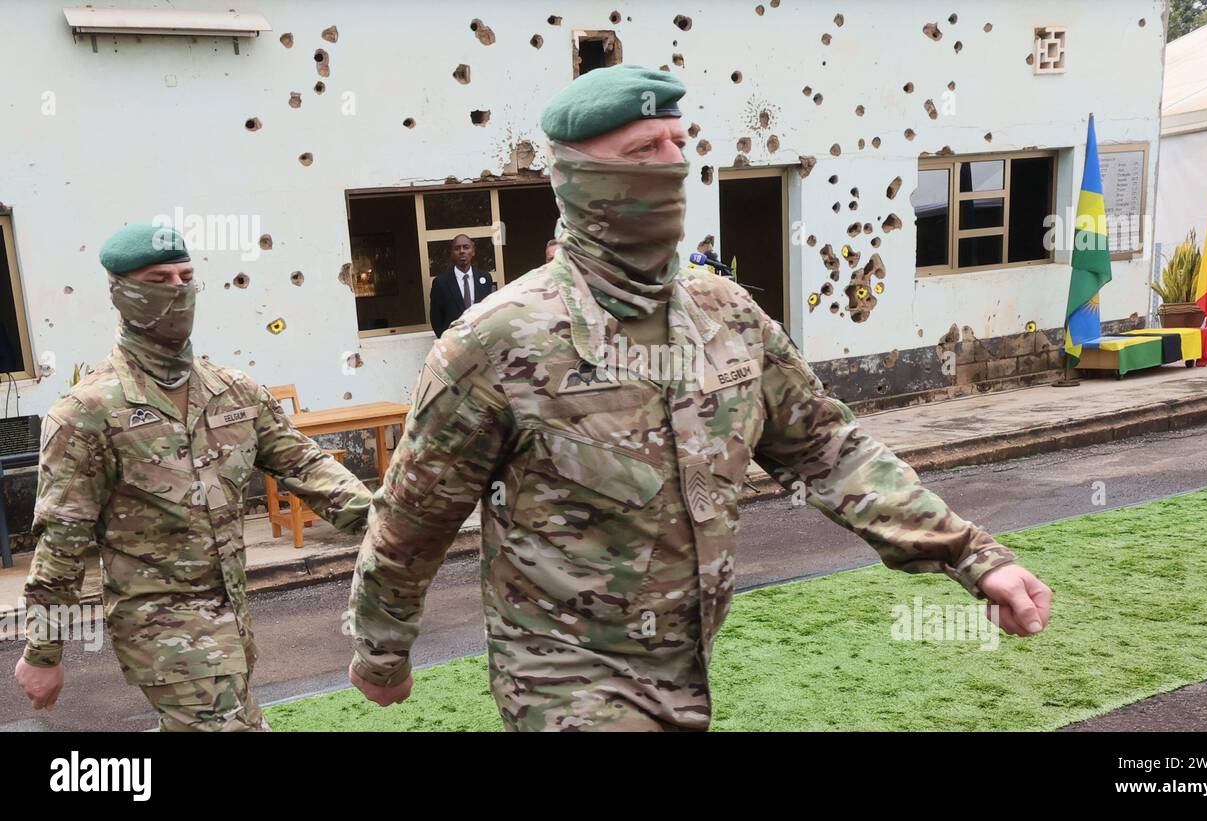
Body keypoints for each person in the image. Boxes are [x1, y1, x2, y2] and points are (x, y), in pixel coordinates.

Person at [345, 65, 1051, 731]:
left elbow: (827, 448)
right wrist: (382, 649)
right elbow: (414, 514)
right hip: (565, 679)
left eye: (680, 141)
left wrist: (973, 555)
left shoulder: (727, 315)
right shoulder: (497, 341)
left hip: (690, 664)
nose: (672, 162)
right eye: (644, 148)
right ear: (580, 179)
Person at [13, 223, 372, 731]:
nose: (178, 291)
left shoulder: (233, 391)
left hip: (234, 622)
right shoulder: (87, 412)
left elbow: (307, 467)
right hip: (160, 633)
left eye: (186, 277)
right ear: (121, 292)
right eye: (159, 279)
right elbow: (61, 543)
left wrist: (392, 526)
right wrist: (43, 650)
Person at [429, 234, 495, 336]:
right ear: (452, 253)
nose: (462, 251)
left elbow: (490, 310)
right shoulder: (441, 282)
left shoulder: (485, 278)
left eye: (466, 247)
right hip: (455, 342)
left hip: (481, 340)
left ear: (473, 251)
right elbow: (436, 319)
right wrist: (446, 340)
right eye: (457, 248)